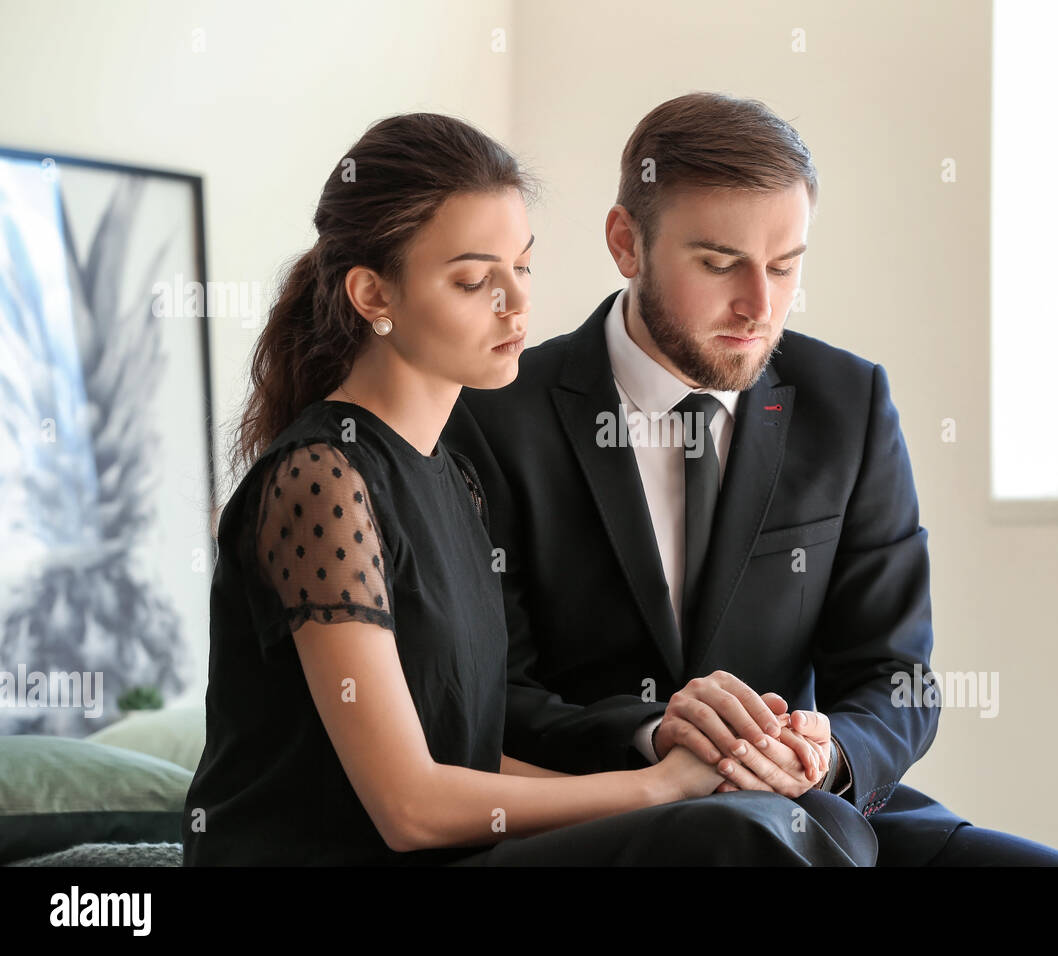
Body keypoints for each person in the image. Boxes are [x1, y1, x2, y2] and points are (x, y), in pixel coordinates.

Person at [182, 112, 879, 866]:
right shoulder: (322, 480)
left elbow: (473, 760)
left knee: (786, 820)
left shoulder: (454, 479)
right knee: (727, 834)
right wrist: (660, 790)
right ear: (372, 296)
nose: (515, 304)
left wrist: (696, 781)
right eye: (476, 280)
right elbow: (411, 808)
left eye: (523, 267)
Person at [442, 92, 1058, 866]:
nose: (759, 305)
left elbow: (896, 677)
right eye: (719, 264)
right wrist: (656, 733)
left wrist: (828, 751)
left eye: (785, 267)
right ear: (626, 243)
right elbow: (488, 694)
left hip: (814, 811)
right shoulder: (491, 416)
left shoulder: (849, 402)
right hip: (597, 819)